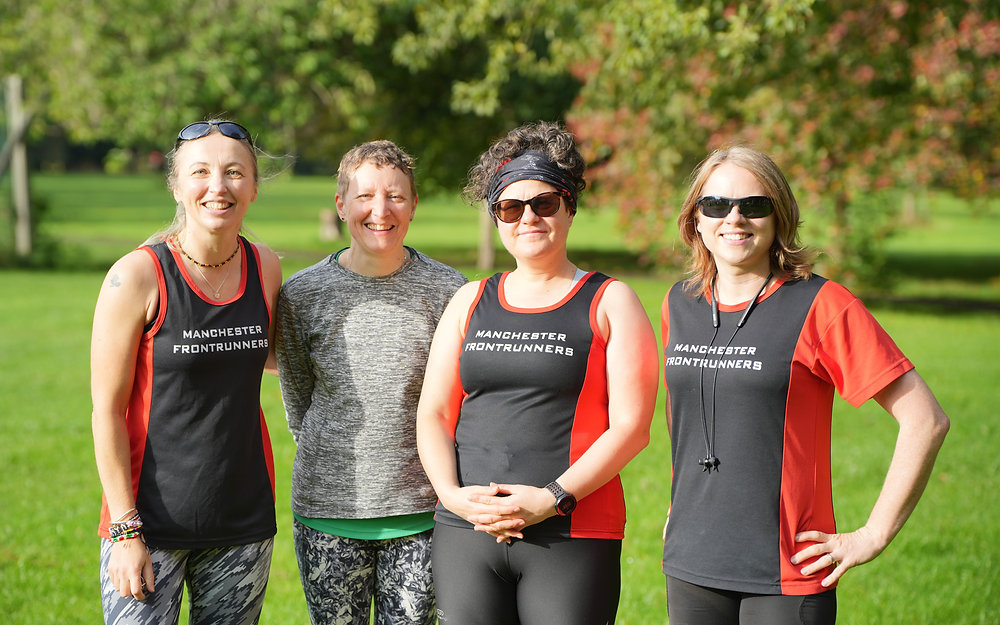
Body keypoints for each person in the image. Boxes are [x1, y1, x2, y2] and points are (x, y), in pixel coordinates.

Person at [660, 146, 950, 625]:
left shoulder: (821, 303)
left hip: (787, 572)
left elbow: (925, 420)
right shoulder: (680, 303)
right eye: (716, 205)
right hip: (690, 561)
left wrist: (873, 534)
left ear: (780, 217)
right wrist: (679, 504)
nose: (734, 218)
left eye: (754, 205)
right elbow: (686, 417)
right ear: (695, 219)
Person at [416, 121, 659, 625]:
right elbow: (435, 413)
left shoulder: (610, 301)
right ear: (497, 217)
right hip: (468, 532)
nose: (528, 217)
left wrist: (551, 499)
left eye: (544, 203)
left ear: (570, 206)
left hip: (571, 533)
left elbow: (632, 429)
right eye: (510, 206)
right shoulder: (470, 300)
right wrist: (453, 498)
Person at [91, 120, 282, 624]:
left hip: (243, 521)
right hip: (148, 526)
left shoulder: (264, 267)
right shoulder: (136, 276)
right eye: (201, 172)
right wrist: (125, 531)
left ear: (254, 187)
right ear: (177, 185)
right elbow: (106, 412)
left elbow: (271, 358)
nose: (218, 187)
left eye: (234, 172)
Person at [275, 140, 467, 625]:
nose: (380, 210)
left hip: (421, 513)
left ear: (414, 205)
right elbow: (299, 400)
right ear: (341, 205)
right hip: (328, 511)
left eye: (396, 196)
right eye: (364, 196)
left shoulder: (450, 291)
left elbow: (455, 403)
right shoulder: (303, 293)